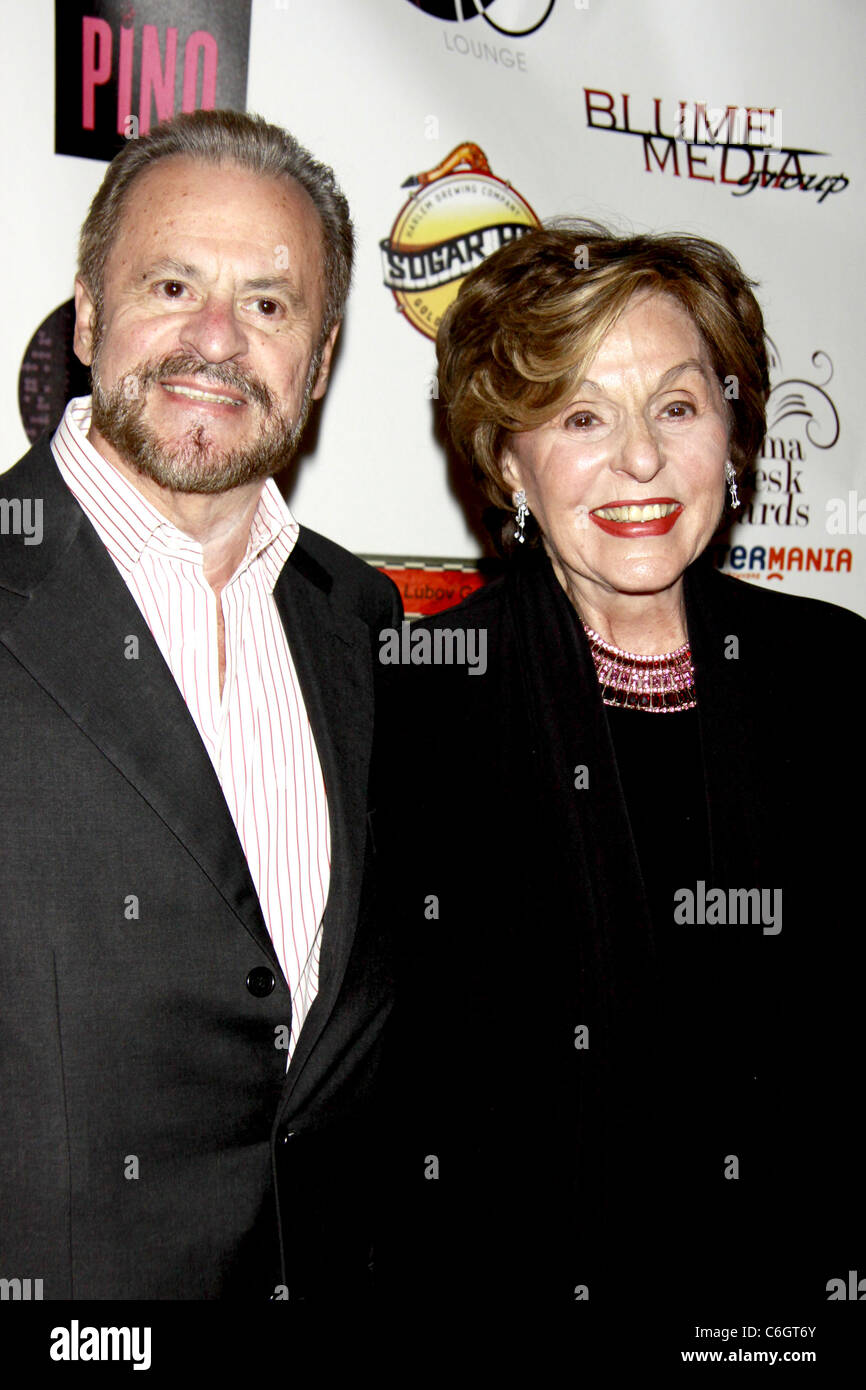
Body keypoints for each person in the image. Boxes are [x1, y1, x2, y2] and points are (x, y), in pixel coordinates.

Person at [375, 224, 864, 1314]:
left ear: (734, 436)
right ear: (506, 456)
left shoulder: (836, 679)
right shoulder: (414, 706)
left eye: (678, 407)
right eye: (580, 416)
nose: (638, 459)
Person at [0, 109, 401, 1300]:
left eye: (270, 305)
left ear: (320, 360)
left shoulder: (364, 620)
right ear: (87, 314)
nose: (215, 339)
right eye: (172, 283)